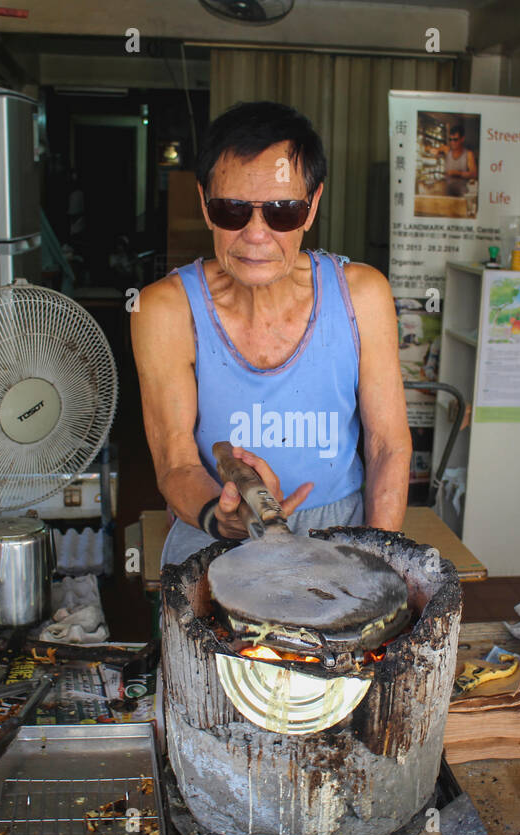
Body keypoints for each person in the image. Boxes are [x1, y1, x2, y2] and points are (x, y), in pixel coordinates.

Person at [133, 100, 411, 567]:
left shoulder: (362, 294)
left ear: (312, 205)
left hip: (337, 533)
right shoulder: (164, 308)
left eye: (282, 212)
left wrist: (378, 560)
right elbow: (176, 462)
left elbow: (388, 446)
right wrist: (225, 519)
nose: (256, 234)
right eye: (232, 209)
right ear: (204, 204)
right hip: (215, 535)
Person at [433, 124, 477, 197]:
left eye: (455, 139)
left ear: (462, 139)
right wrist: (433, 150)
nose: (452, 142)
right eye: (450, 139)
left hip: (462, 194)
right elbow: (431, 149)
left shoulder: (468, 154)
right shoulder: (447, 150)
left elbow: (474, 174)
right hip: (447, 193)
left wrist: (458, 173)